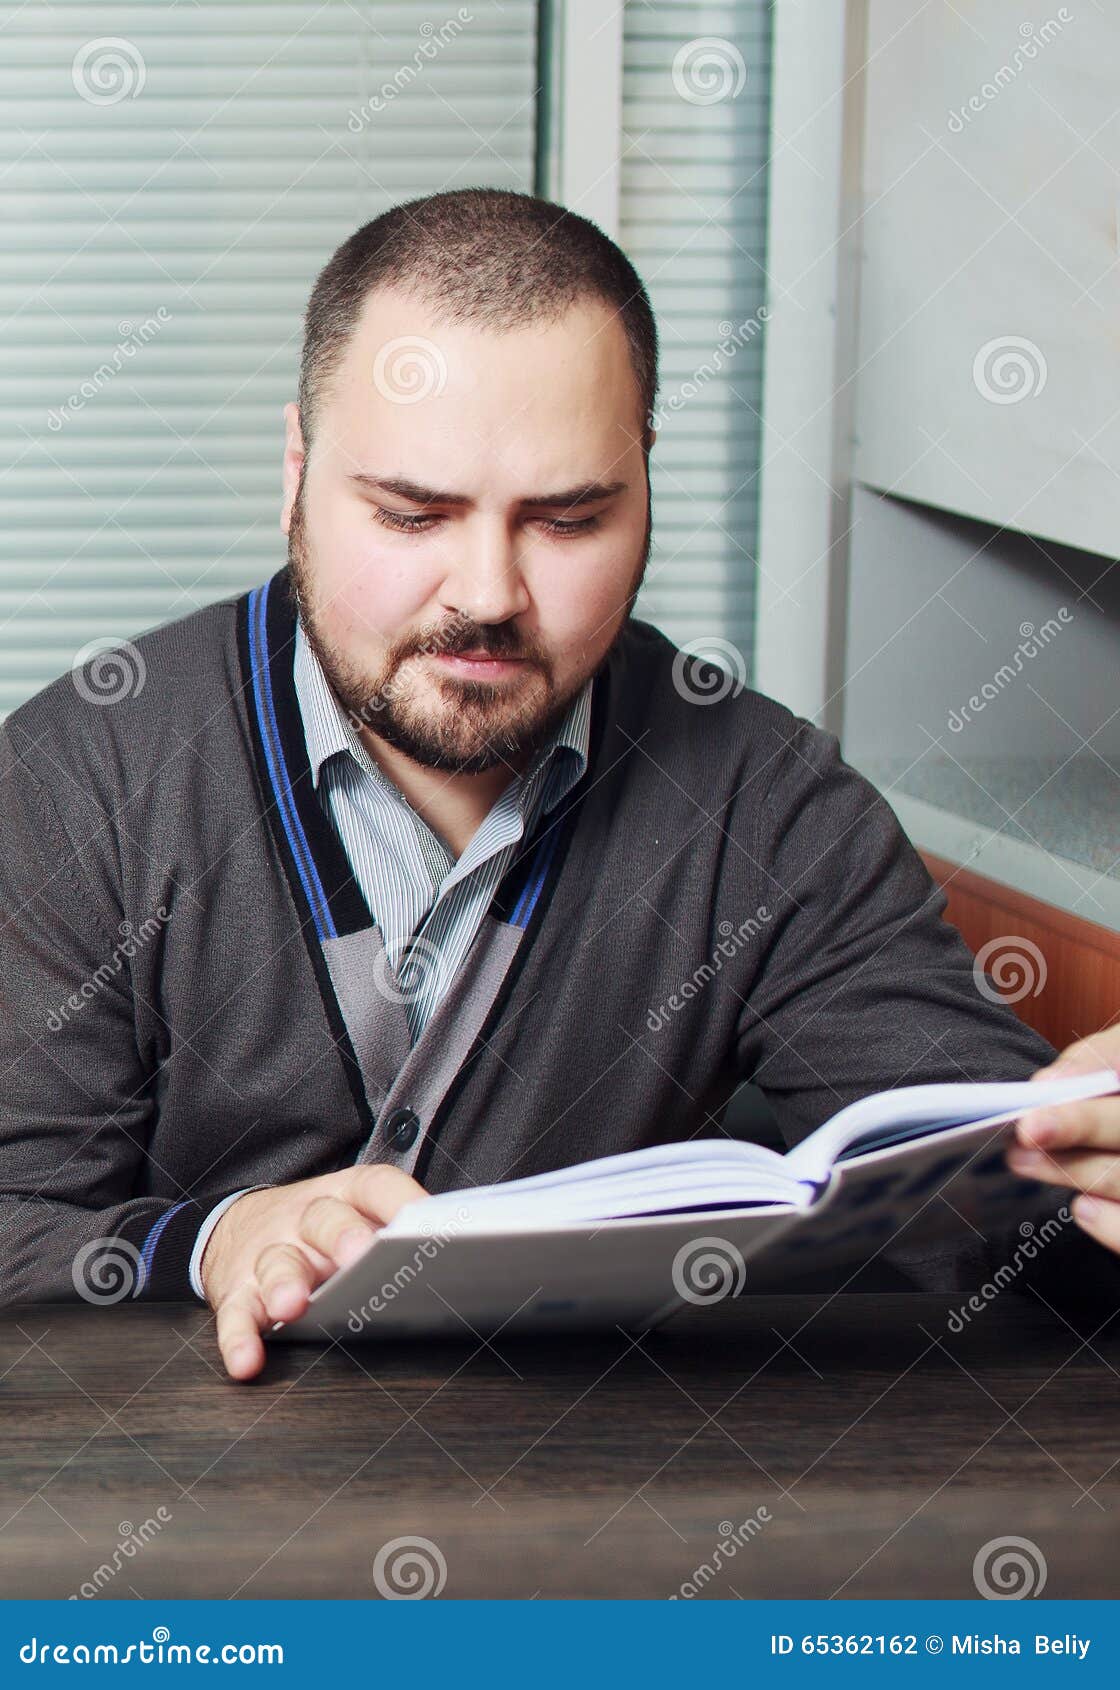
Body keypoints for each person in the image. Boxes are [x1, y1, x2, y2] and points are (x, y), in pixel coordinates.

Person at [0, 189, 1117, 1383]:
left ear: (644, 492)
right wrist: (215, 1239)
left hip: (600, 1526)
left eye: (568, 519)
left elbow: (995, 1212)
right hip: (181, 1527)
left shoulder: (768, 801)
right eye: (411, 512)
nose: (486, 593)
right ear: (296, 474)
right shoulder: (80, 776)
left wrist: (1087, 1162)